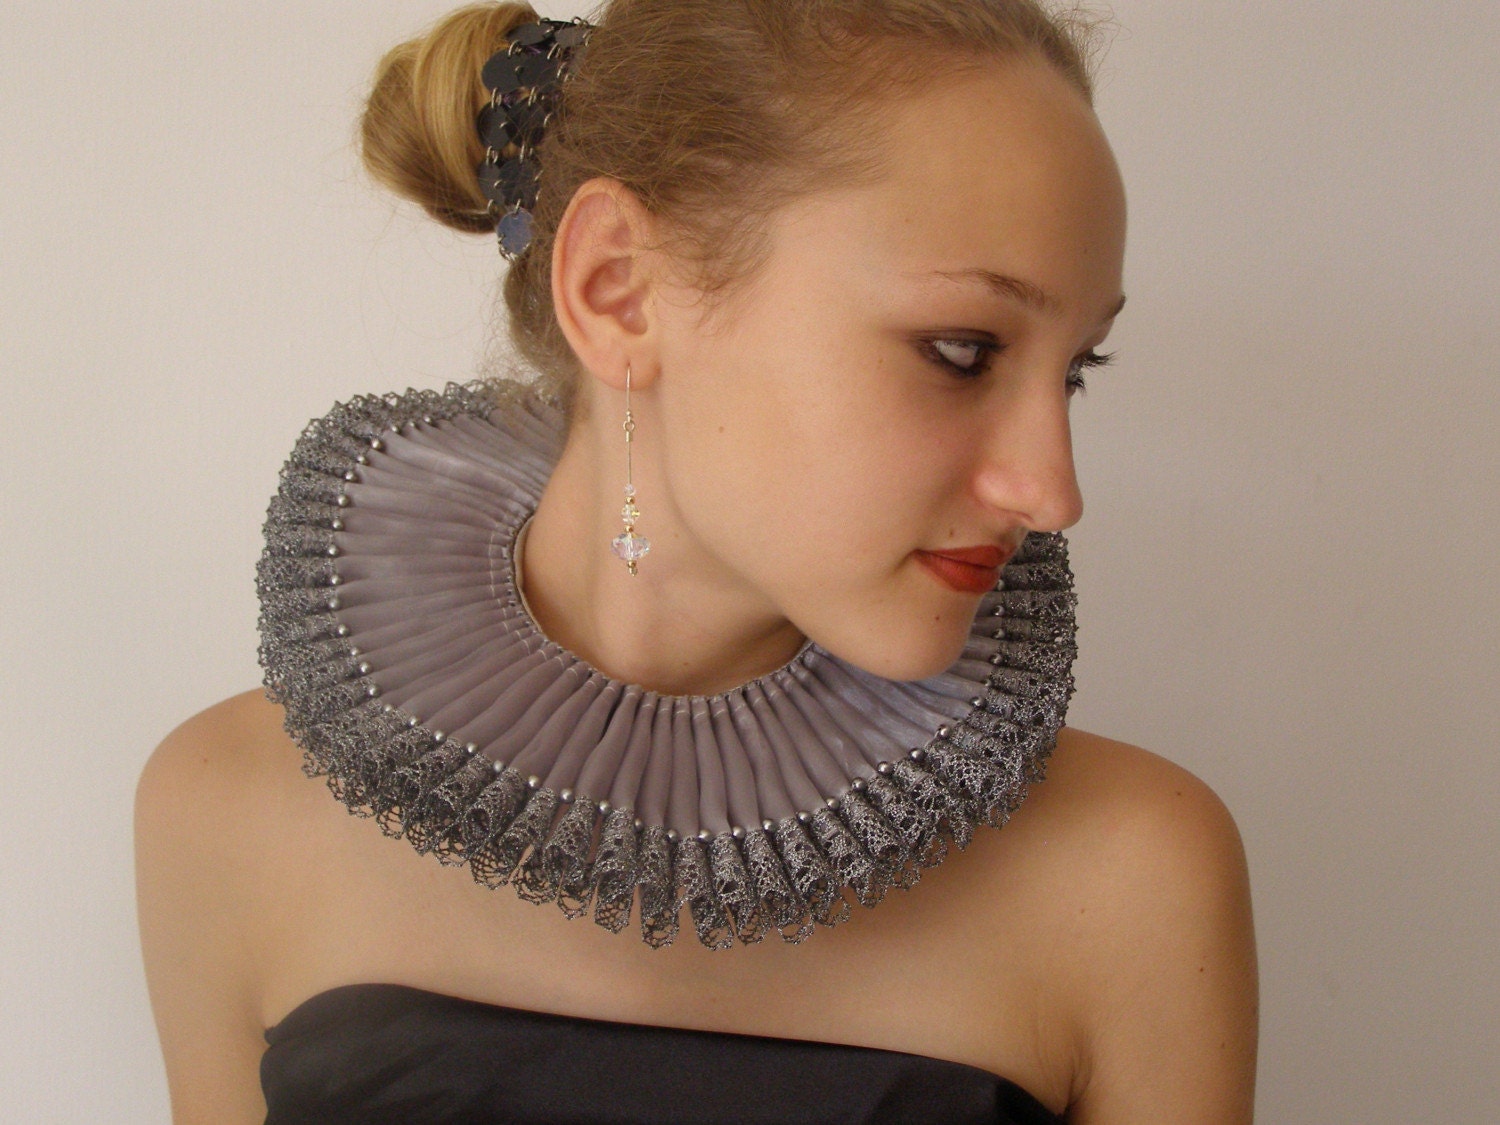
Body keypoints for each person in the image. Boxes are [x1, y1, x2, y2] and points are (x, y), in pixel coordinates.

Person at [135, 1, 1258, 1121]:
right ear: (618, 288)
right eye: (961, 351)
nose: (1053, 492)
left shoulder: (1131, 881)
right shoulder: (230, 812)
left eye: (1073, 372)